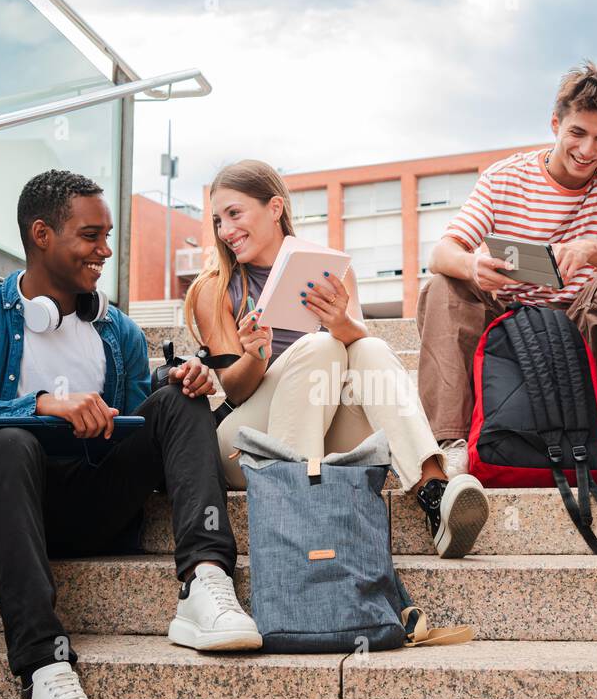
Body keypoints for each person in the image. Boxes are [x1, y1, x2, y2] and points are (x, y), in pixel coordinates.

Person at [0, 169, 260, 699]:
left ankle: (205, 581)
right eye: (90, 236)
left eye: (108, 236)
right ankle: (43, 672)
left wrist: (185, 381)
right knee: (10, 442)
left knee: (180, 398)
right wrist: (35, 406)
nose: (105, 250)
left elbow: (134, 425)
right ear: (41, 234)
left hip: (85, 508)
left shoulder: (115, 328)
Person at [183, 159, 489, 558]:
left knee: (369, 346)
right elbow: (234, 390)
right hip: (246, 446)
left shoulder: (331, 269)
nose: (226, 231)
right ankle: (298, 511)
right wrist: (258, 355)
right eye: (218, 220)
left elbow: (362, 352)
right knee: (321, 347)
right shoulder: (216, 287)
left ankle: (435, 493)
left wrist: (341, 321)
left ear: (274, 208)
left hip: (326, 433)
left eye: (234, 214)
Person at [416, 61, 597, 484]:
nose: (588, 150)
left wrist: (588, 249)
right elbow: (441, 253)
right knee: (442, 285)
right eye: (577, 133)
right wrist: (473, 265)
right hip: (509, 320)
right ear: (555, 124)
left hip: (580, 317)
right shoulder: (504, 177)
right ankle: (450, 444)